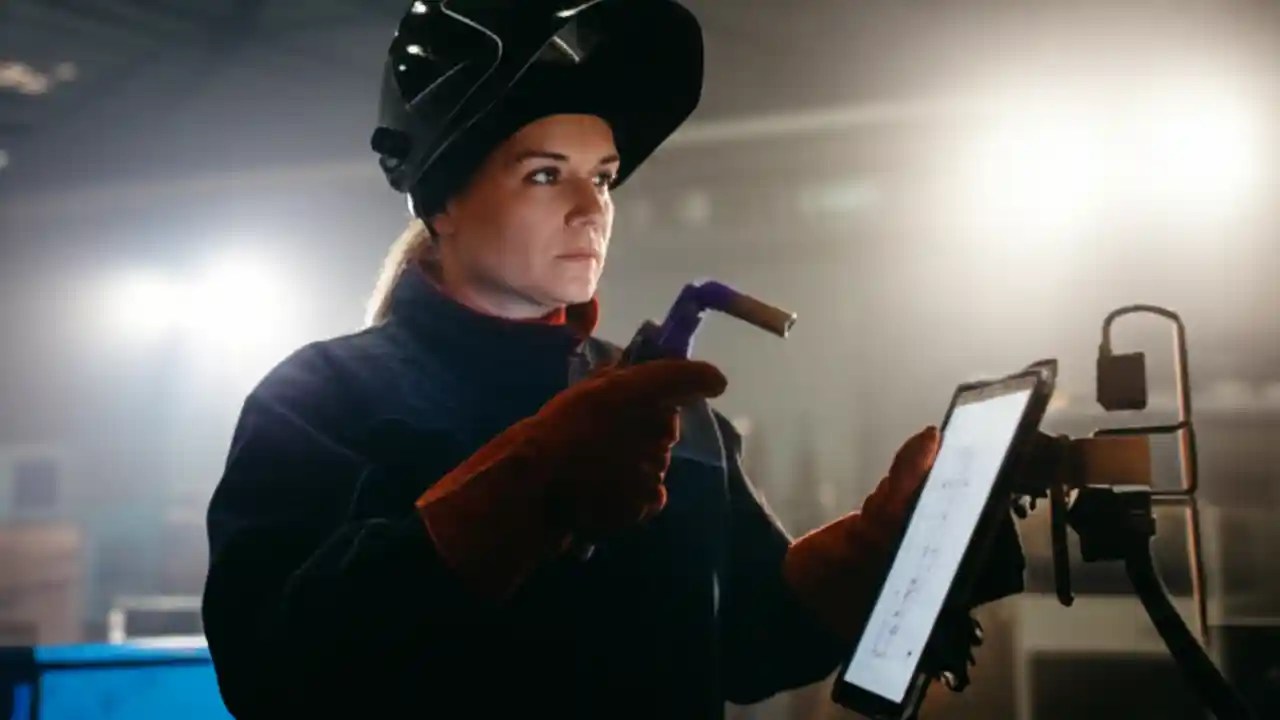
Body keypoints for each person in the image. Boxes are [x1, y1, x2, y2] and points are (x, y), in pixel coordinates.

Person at [201, 1, 1018, 717]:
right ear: (441, 200)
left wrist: (880, 551)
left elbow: (753, 646)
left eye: (604, 177)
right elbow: (273, 672)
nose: (591, 207)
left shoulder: (666, 411)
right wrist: (533, 488)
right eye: (545, 175)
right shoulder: (322, 398)